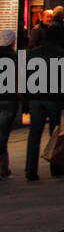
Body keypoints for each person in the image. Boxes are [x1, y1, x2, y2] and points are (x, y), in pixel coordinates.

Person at [23, 25, 64, 181]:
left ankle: (30, 169)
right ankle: (56, 167)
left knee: (34, 135)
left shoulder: (32, 54)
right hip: (54, 99)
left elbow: (26, 76)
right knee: (56, 134)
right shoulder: (62, 55)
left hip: (36, 98)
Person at [0, 29, 17, 178]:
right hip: (9, 100)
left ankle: (4, 168)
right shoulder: (15, 58)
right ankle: (3, 169)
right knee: (3, 135)